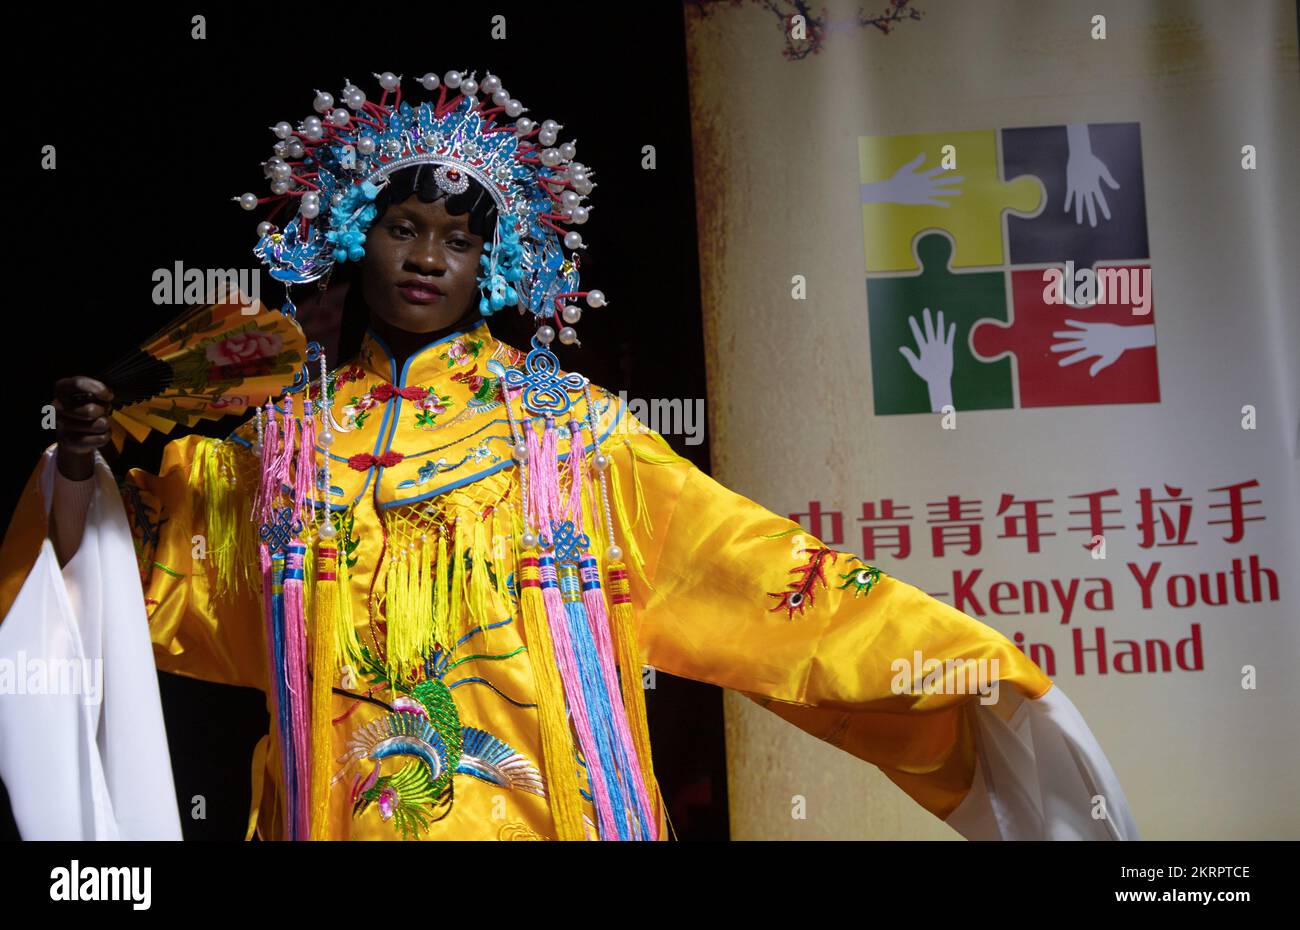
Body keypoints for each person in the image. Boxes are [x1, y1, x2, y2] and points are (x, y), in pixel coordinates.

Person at [0, 69, 1137, 841]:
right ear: (360, 239)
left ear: (495, 267)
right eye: (404, 229)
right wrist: (83, 471)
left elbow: (763, 575)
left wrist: (966, 671)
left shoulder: (571, 437)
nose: (426, 259)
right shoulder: (286, 448)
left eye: (459, 239)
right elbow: (147, 587)